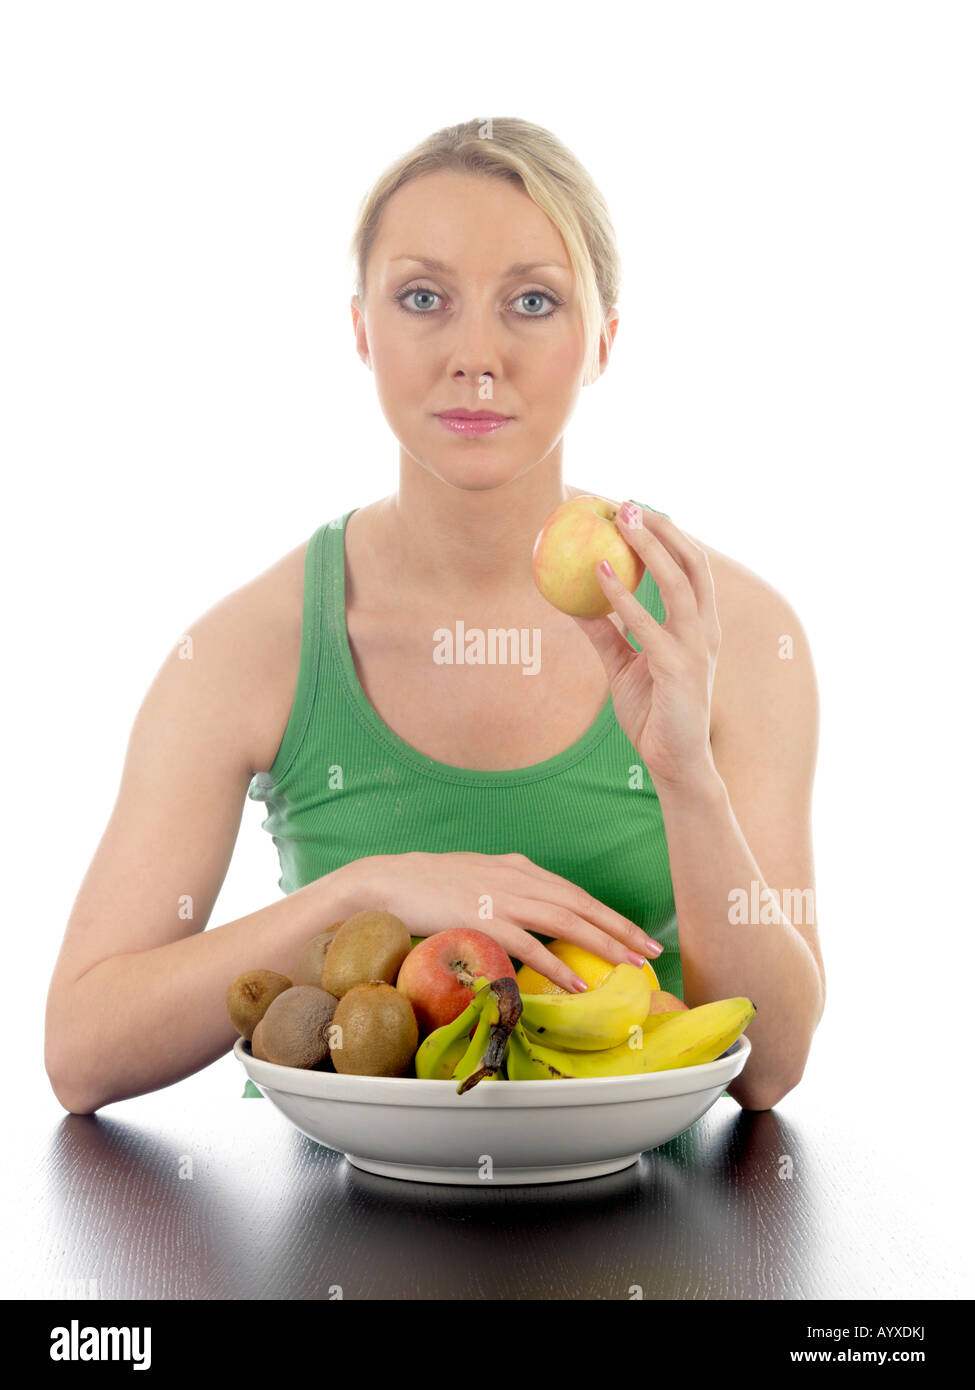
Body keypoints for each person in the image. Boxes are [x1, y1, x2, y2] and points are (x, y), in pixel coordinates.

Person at [45, 117, 825, 1116]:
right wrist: (366, 891)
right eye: (424, 298)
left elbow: (774, 1064)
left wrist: (686, 774)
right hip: (334, 1234)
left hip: (660, 1234)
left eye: (533, 301)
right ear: (362, 327)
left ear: (604, 340)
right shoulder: (252, 646)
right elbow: (80, 1049)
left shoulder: (731, 631)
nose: (476, 354)